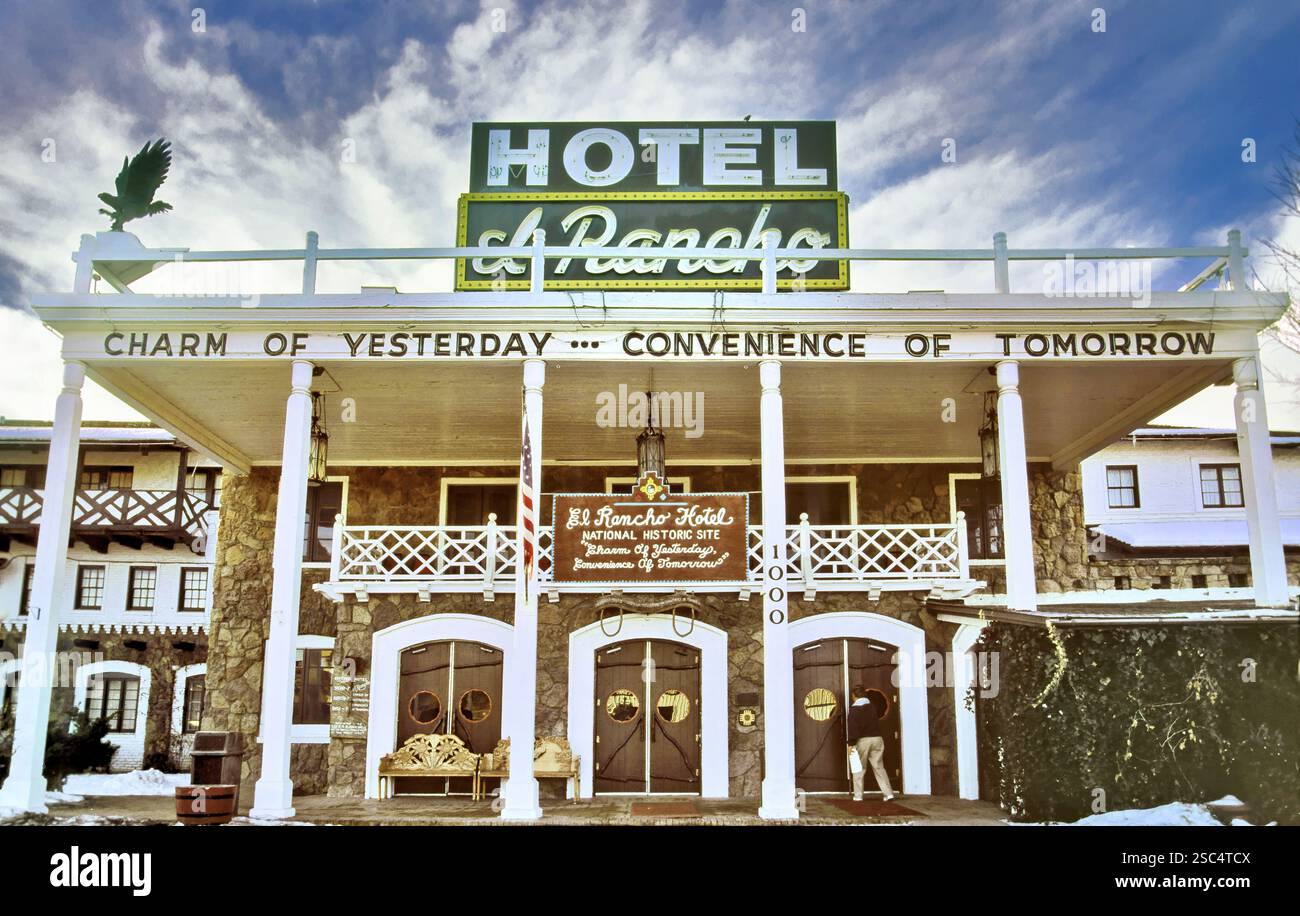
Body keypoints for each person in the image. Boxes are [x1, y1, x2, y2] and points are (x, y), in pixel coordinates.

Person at [846, 685, 895, 802]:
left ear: (854, 696)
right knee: (879, 767)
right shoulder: (873, 707)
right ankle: (888, 794)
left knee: (859, 768)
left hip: (863, 740)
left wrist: (851, 744)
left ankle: (858, 796)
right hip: (877, 739)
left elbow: (853, 728)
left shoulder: (854, 709)